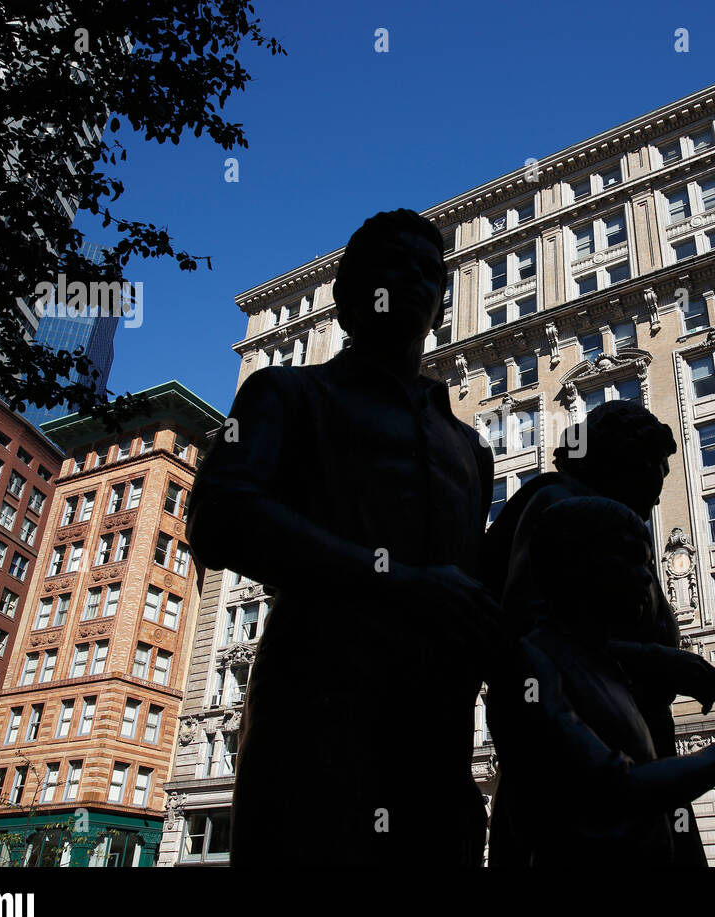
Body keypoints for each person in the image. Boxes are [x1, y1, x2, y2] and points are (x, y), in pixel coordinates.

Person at [186, 209, 499, 866]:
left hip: (438, 745)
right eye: (395, 265)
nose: (415, 281)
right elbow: (220, 517)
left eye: (430, 272)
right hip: (316, 724)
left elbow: (479, 594)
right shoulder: (286, 394)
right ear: (347, 295)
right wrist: (397, 581)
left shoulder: (469, 448)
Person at [488, 496, 715, 864]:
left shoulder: (598, 659)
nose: (647, 578)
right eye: (633, 558)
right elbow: (615, 789)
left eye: (650, 563)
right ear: (581, 564)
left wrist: (658, 659)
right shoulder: (533, 665)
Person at [481, 401, 715, 865]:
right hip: (583, 764)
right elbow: (532, 631)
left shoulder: (611, 521)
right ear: (622, 457)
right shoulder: (559, 505)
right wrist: (658, 660)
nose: (658, 495)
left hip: (637, 739)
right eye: (654, 471)